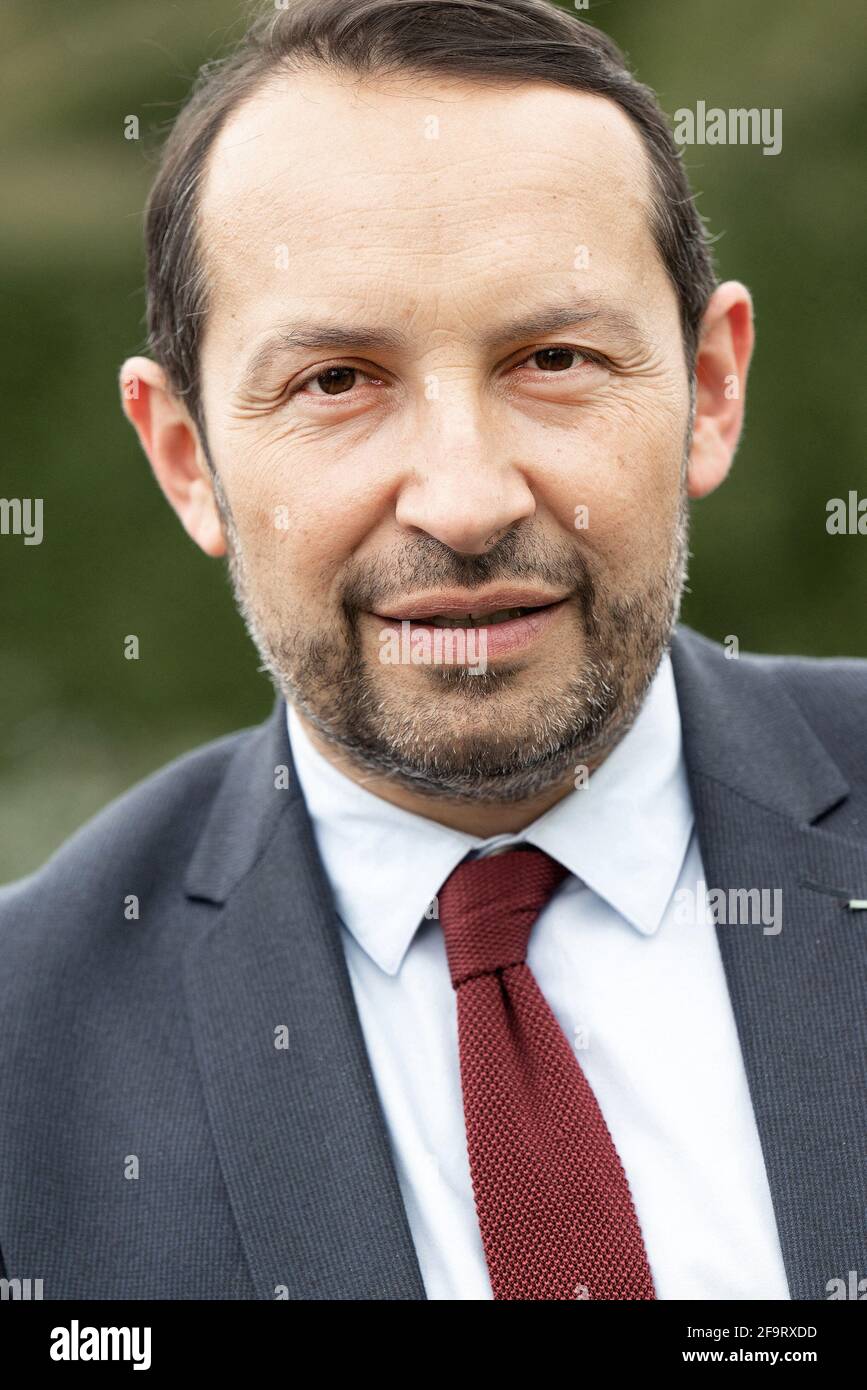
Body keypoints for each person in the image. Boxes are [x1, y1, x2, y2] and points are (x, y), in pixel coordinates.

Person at [1, 0, 864, 1301]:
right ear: (185, 458)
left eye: (555, 357)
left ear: (711, 386)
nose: (462, 501)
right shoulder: (23, 1051)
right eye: (337, 381)